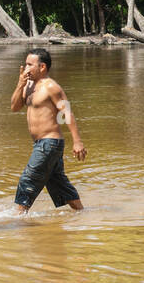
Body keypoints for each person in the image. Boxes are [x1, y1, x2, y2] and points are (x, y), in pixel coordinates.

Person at [10, 47, 87, 214]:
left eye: (30, 65)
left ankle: (18, 217)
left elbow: (66, 112)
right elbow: (15, 107)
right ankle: (82, 214)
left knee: (28, 178)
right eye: (26, 64)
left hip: (49, 142)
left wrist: (77, 141)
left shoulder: (51, 86)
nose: (26, 68)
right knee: (58, 183)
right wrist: (20, 84)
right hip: (42, 143)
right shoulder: (28, 85)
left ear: (42, 67)